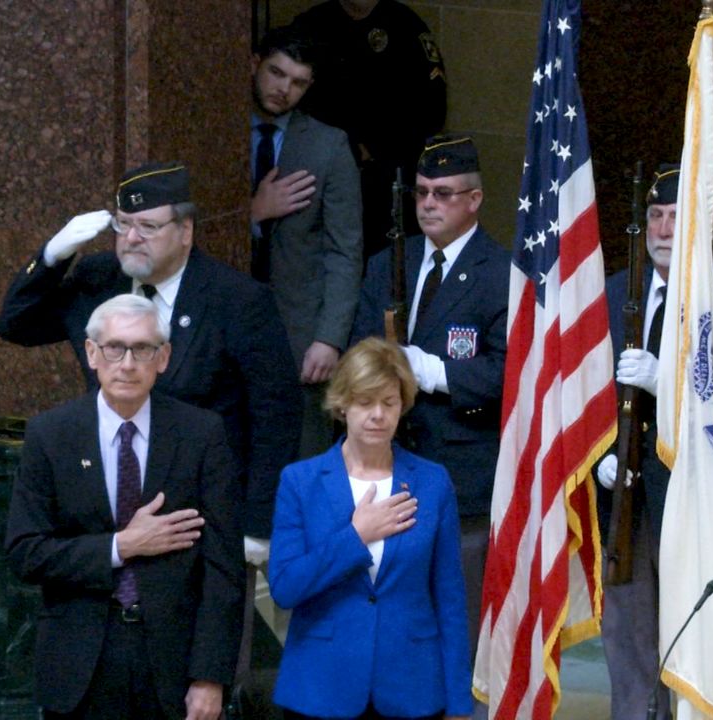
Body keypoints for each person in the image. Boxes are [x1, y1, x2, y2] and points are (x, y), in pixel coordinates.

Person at [0, 161, 302, 556]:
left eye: (149, 227)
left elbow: (276, 415)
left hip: (199, 516)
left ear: (185, 231)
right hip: (107, 510)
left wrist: (258, 526)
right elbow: (15, 325)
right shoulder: (98, 280)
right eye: (123, 224)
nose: (132, 238)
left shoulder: (237, 300)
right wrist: (52, 257)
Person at [595, 165, 713, 719]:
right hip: (627, 508)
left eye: (676, 216)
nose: (663, 229)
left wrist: (671, 387)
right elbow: (581, 395)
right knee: (628, 653)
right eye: (655, 216)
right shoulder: (608, 296)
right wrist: (601, 455)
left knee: (699, 657)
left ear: (699, 224)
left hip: (705, 504)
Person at [6, 294, 245, 720]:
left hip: (173, 665)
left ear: (164, 357)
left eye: (143, 349)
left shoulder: (201, 434)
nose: (128, 363)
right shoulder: (51, 435)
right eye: (115, 348)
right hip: (80, 663)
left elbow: (223, 567)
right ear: (92, 353)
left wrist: (210, 676)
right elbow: (25, 552)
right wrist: (121, 546)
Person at [350, 134, 509, 657]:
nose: (428, 205)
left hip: (462, 470)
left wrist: (437, 372)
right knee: (391, 618)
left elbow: (511, 371)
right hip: (387, 469)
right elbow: (359, 351)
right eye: (421, 193)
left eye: (443, 193)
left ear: (474, 199)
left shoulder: (502, 274)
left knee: (458, 623)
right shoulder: (387, 263)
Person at [268, 337, 472, 720]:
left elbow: (449, 600)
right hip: (321, 688)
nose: (378, 414)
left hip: (412, 688)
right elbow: (285, 587)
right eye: (365, 402)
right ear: (342, 404)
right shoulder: (301, 481)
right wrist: (355, 537)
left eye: (389, 403)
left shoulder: (432, 482)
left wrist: (460, 701)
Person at [250, 25, 364, 459]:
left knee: (301, 459)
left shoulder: (328, 146)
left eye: (297, 82)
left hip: (299, 334)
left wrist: (330, 338)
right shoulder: (213, 127)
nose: (283, 89)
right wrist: (254, 213)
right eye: (276, 73)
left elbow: (344, 250)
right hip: (222, 323)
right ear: (253, 64)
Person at [291, 0, 447, 258]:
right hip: (323, 175)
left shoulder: (405, 24)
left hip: (388, 178)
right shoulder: (312, 25)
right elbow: (297, 105)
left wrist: (376, 148)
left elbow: (431, 107)